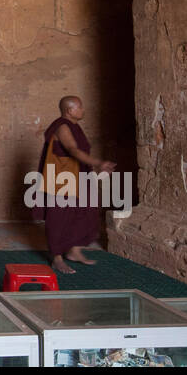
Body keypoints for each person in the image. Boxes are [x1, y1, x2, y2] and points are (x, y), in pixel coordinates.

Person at [36, 95, 115, 275]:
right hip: (62, 178)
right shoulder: (62, 126)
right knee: (60, 215)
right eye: (80, 107)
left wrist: (93, 170)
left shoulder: (74, 126)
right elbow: (73, 150)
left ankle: (74, 251)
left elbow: (79, 153)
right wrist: (98, 162)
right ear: (70, 110)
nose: (83, 110)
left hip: (79, 174)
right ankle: (57, 258)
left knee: (85, 211)